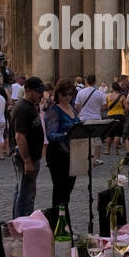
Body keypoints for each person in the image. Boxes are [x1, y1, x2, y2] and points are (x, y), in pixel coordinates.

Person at [10, 76, 45, 217]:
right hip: (25, 156)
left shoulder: (29, 106)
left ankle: (19, 221)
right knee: (26, 193)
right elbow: (20, 136)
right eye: (38, 91)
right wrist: (27, 161)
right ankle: (22, 222)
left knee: (23, 190)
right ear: (29, 91)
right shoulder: (23, 108)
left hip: (32, 155)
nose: (40, 94)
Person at [44, 78, 79, 208]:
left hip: (71, 153)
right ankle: (58, 222)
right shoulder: (54, 110)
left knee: (67, 192)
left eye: (71, 94)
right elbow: (50, 134)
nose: (68, 97)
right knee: (60, 191)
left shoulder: (71, 107)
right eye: (65, 94)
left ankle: (63, 221)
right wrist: (66, 134)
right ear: (58, 94)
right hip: (58, 154)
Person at [75, 74, 106, 165]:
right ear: (95, 82)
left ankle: (84, 158)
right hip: (96, 118)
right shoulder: (100, 93)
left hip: (84, 118)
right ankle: (96, 158)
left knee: (84, 138)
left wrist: (82, 110)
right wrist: (96, 109)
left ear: (86, 81)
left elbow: (77, 106)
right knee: (96, 139)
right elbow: (104, 107)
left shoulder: (81, 92)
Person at [104, 79, 126, 156]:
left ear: (112, 88)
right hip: (120, 115)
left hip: (110, 115)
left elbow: (106, 107)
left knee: (110, 134)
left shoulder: (108, 96)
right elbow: (126, 107)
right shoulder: (122, 96)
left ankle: (107, 149)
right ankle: (116, 150)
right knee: (117, 134)